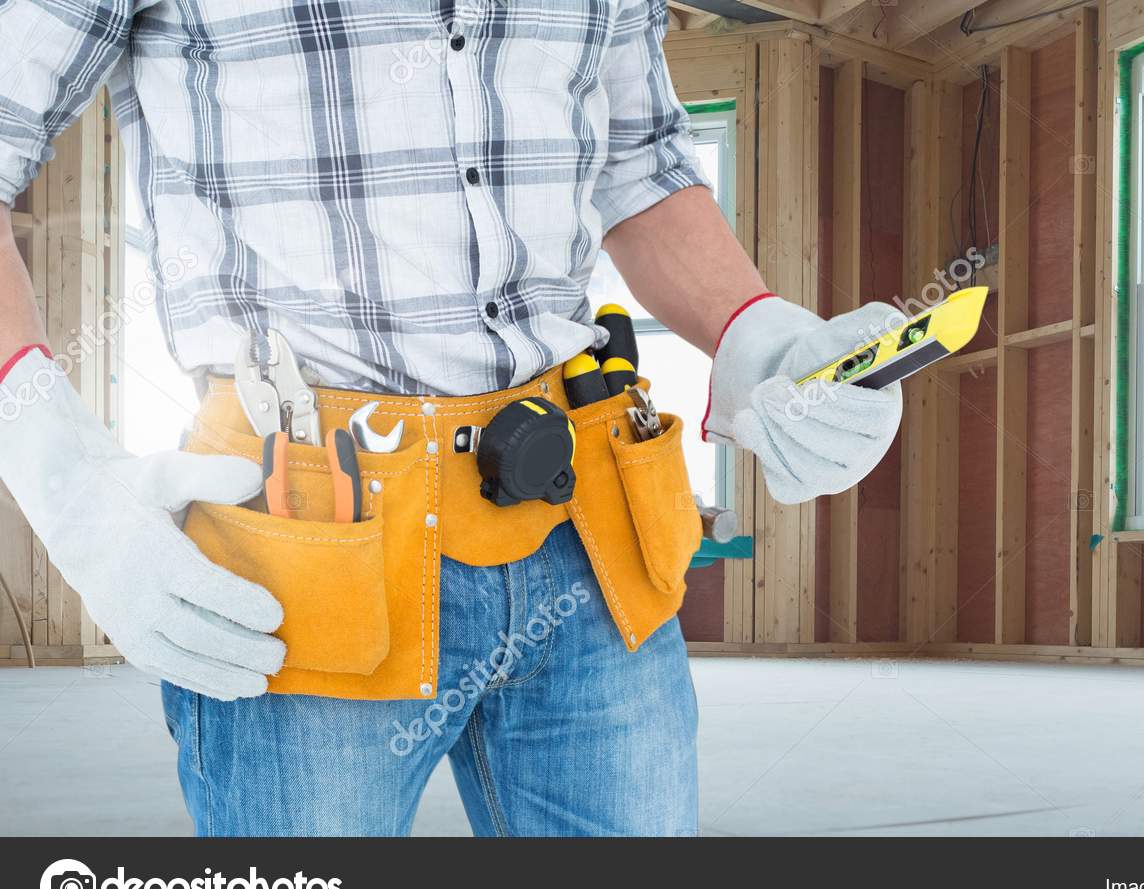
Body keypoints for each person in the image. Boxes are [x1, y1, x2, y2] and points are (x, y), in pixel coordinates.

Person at [0, 0, 900, 836]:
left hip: (587, 530)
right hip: (301, 545)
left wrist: (753, 326)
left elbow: (636, 161)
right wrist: (57, 465)